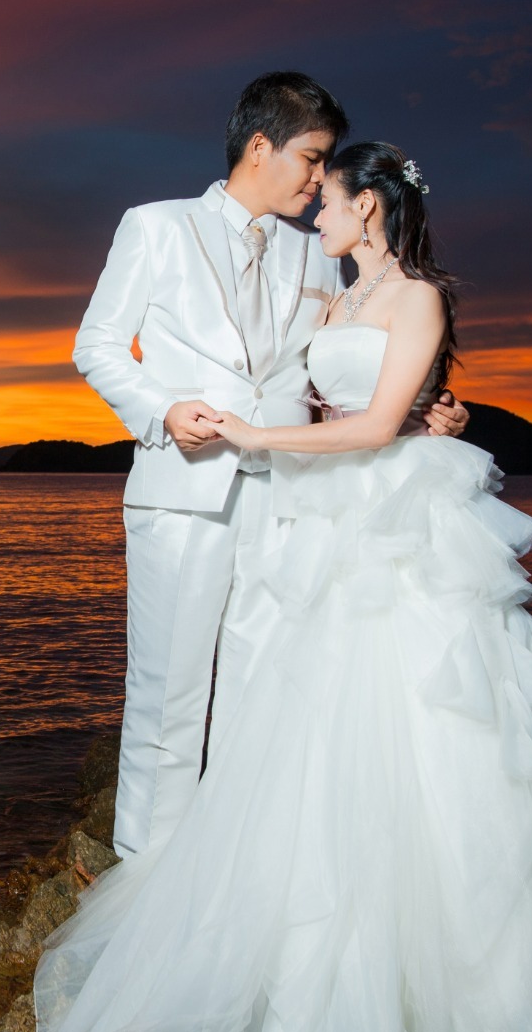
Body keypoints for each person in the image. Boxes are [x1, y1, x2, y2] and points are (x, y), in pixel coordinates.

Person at [14, 141, 532, 1032]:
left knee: (429, 708)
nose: (314, 209)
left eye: (328, 195)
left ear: (370, 206)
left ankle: (460, 960)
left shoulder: (419, 296)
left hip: (393, 512)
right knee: (313, 714)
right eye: (313, 187)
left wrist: (271, 437)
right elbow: (339, 400)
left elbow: (371, 427)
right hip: (324, 518)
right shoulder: (327, 297)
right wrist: (401, 412)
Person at [73, 72, 468, 860]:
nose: (322, 178)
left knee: (267, 690)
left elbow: (347, 370)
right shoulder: (155, 227)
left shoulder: (319, 253)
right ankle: (143, 870)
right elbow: (99, 347)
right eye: (312, 158)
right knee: (169, 692)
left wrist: (427, 411)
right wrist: (160, 411)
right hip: (184, 491)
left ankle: (233, 869)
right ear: (262, 146)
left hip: (295, 501)